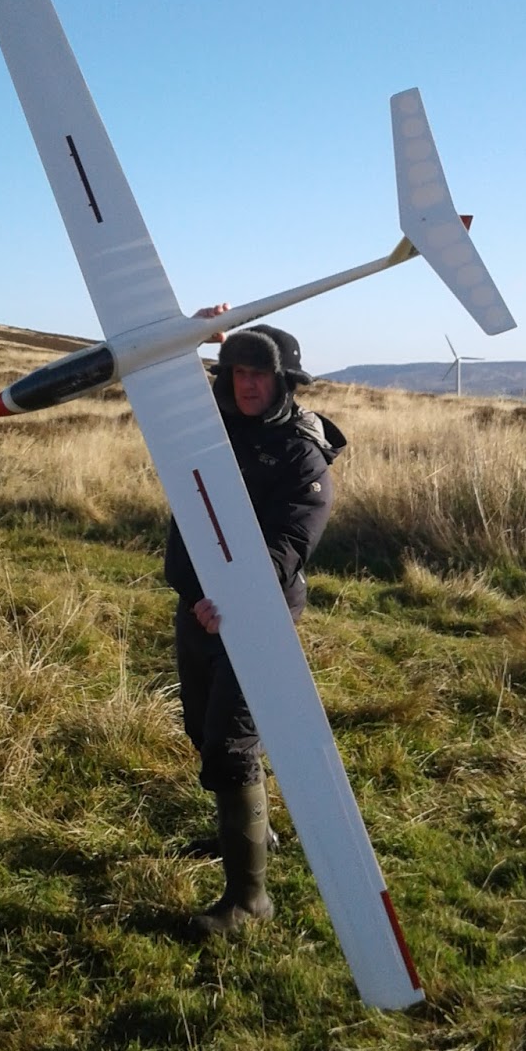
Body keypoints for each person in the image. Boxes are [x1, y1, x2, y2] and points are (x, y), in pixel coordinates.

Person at [164, 318, 346, 935]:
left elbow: (290, 542)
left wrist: (235, 599)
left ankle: (248, 902)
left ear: (283, 380)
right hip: (198, 609)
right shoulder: (210, 432)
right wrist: (190, 331)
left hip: (258, 616)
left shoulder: (302, 454)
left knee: (233, 744)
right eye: (238, 372)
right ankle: (250, 829)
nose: (247, 385)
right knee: (201, 726)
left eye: (259, 374)